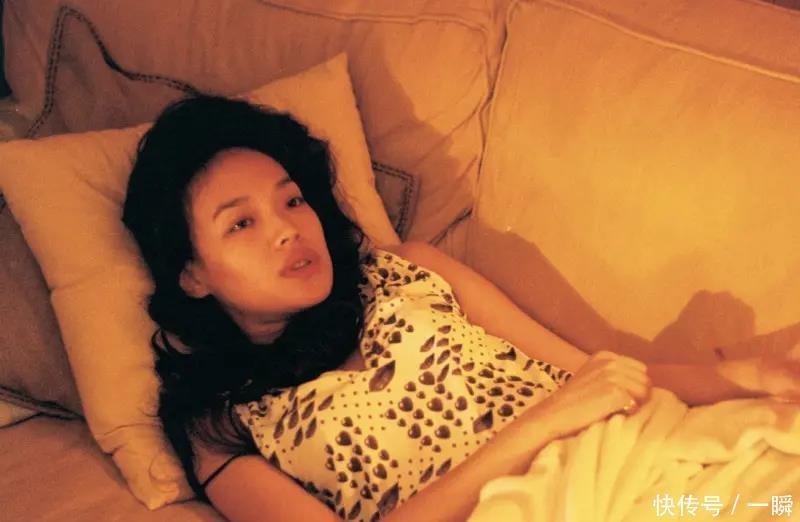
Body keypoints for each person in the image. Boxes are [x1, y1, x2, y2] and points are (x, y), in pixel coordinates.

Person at [122, 95, 800, 522]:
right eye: (241, 223)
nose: (286, 230)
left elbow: (590, 375)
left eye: (292, 200)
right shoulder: (218, 422)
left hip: (629, 458)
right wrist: (542, 425)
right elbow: (571, 401)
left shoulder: (408, 269)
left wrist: (743, 378)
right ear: (192, 274)